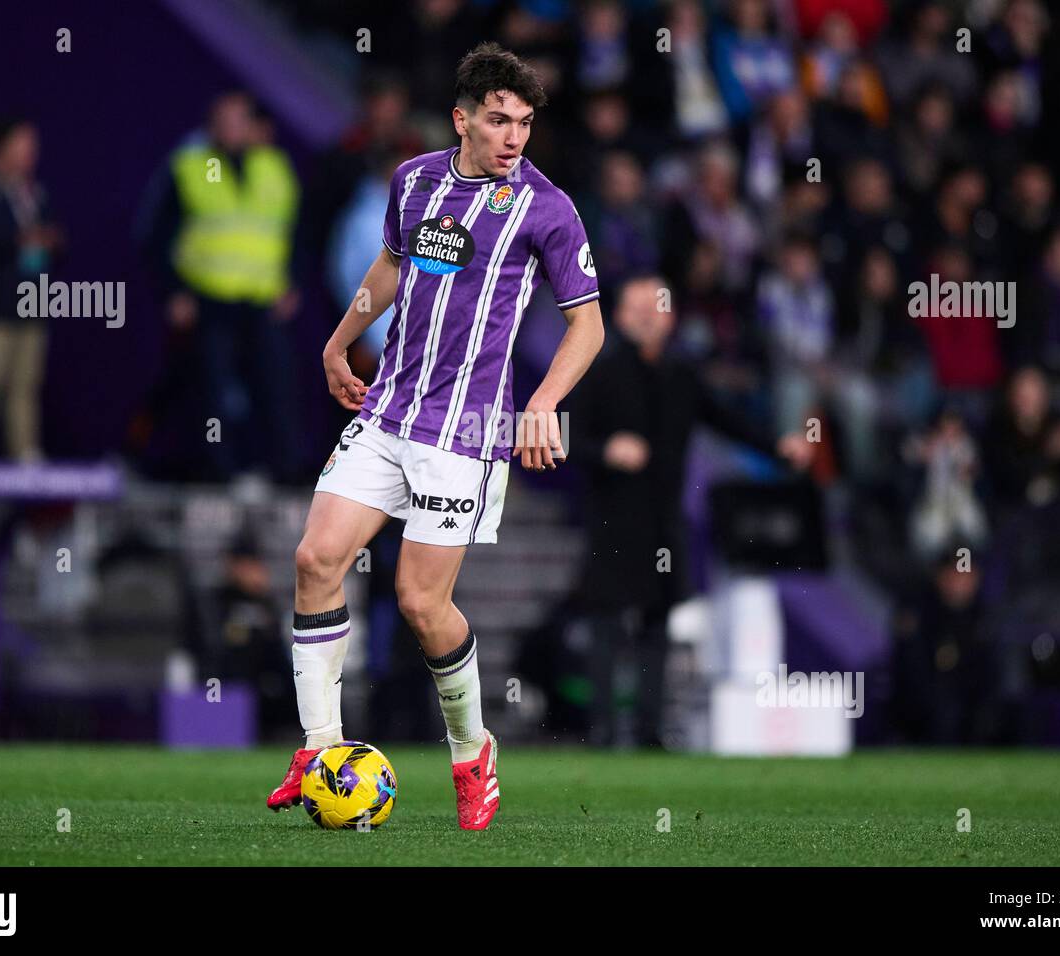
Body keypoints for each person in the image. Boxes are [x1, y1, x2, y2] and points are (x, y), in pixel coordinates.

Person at [266, 43, 605, 830]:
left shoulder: (547, 208)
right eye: (497, 120)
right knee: (317, 559)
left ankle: (470, 751)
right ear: (462, 119)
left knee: (420, 602)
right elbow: (388, 267)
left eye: (523, 123)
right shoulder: (413, 180)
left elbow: (585, 326)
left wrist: (545, 401)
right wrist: (339, 340)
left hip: (466, 431)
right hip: (390, 409)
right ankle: (319, 752)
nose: (513, 136)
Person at [572, 275, 813, 747]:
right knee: (604, 622)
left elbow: (726, 420)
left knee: (657, 626)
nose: (646, 314)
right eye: (636, 306)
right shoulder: (598, 372)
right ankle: (600, 731)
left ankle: (649, 731)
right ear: (619, 317)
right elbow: (566, 437)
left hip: (663, 520)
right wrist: (607, 450)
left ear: (671, 315)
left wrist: (778, 448)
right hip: (612, 520)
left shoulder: (682, 376)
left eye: (655, 305)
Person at [139, 91, 302, 481]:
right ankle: (218, 471)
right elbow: (154, 235)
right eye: (224, 121)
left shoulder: (273, 166)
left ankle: (284, 472)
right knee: (212, 392)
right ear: (211, 126)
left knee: (276, 385)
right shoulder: (191, 166)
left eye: (239, 120)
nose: (232, 129)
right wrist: (174, 291)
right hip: (209, 298)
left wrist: (291, 281)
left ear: (251, 125)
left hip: (262, 298)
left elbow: (292, 229)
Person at [0, 119, 62, 461]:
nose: (30, 154)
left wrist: (51, 242)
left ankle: (26, 452)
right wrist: (15, 240)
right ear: (1, 148)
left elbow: (48, 240)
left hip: (32, 302)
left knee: (26, 385)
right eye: (23, 145)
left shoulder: (34, 193)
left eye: (33, 147)